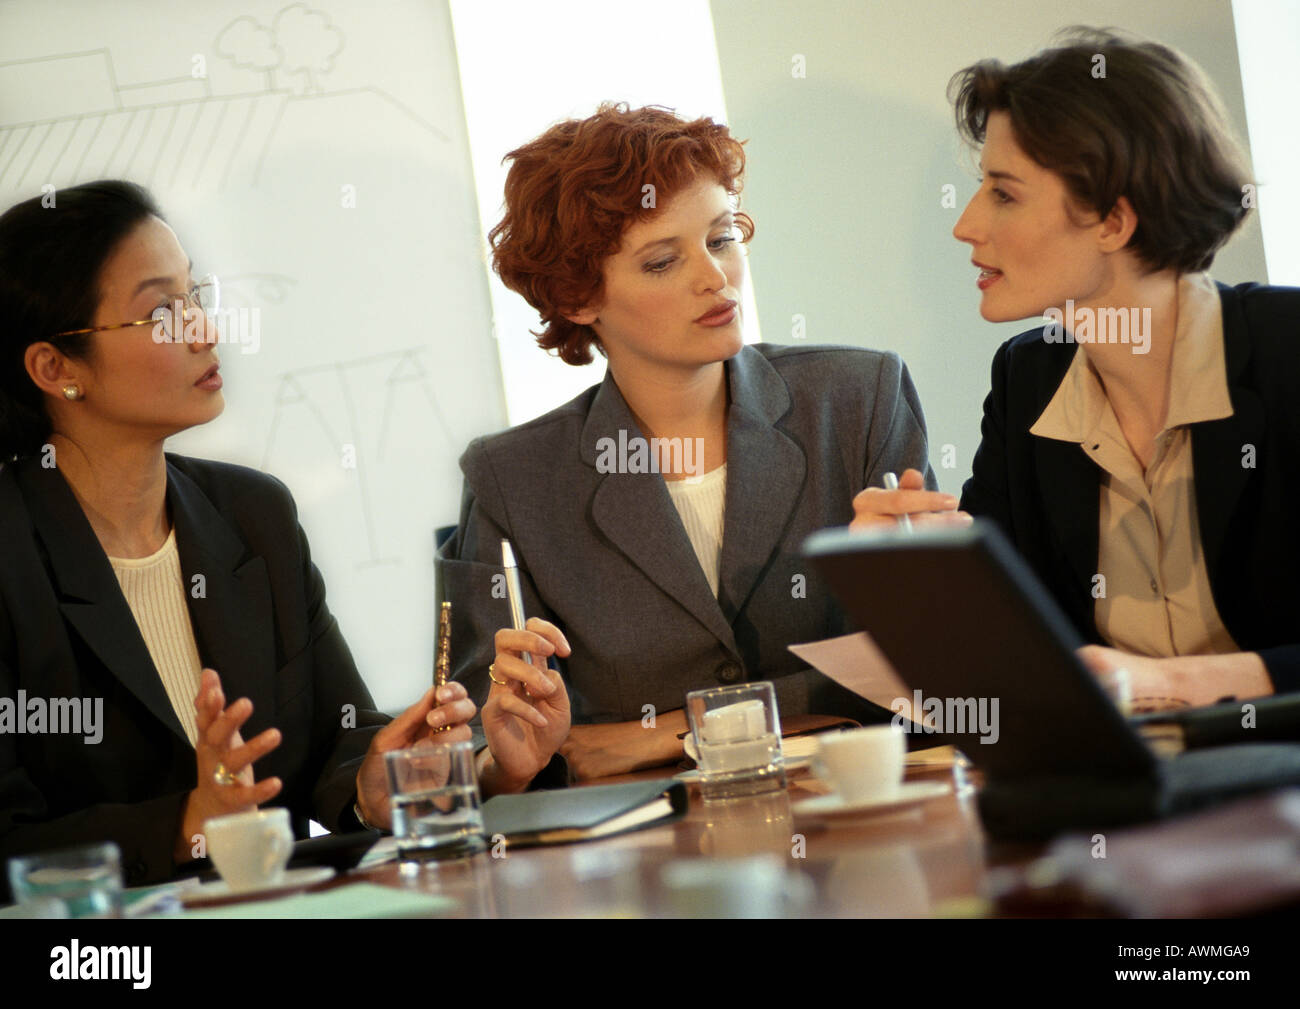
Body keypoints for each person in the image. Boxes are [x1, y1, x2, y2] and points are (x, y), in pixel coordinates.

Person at [0, 181, 566, 892]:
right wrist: (189, 820)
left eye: (195, 296)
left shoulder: (251, 514)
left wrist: (381, 781)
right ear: (55, 368)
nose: (203, 329)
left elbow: (341, 739)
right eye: (161, 312)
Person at [437, 103, 940, 780]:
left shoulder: (857, 397)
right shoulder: (511, 478)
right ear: (579, 297)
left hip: (866, 812)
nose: (715, 277)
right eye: (663, 261)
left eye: (722, 237)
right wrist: (511, 760)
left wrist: (672, 730)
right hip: (651, 856)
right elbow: (481, 744)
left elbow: (925, 667)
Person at [850, 28, 1299, 708]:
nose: (965, 225)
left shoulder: (1289, 349)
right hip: (1121, 800)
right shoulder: (1026, 382)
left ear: (1114, 221)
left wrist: (1174, 683)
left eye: (1004, 193)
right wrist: (913, 582)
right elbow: (996, 673)